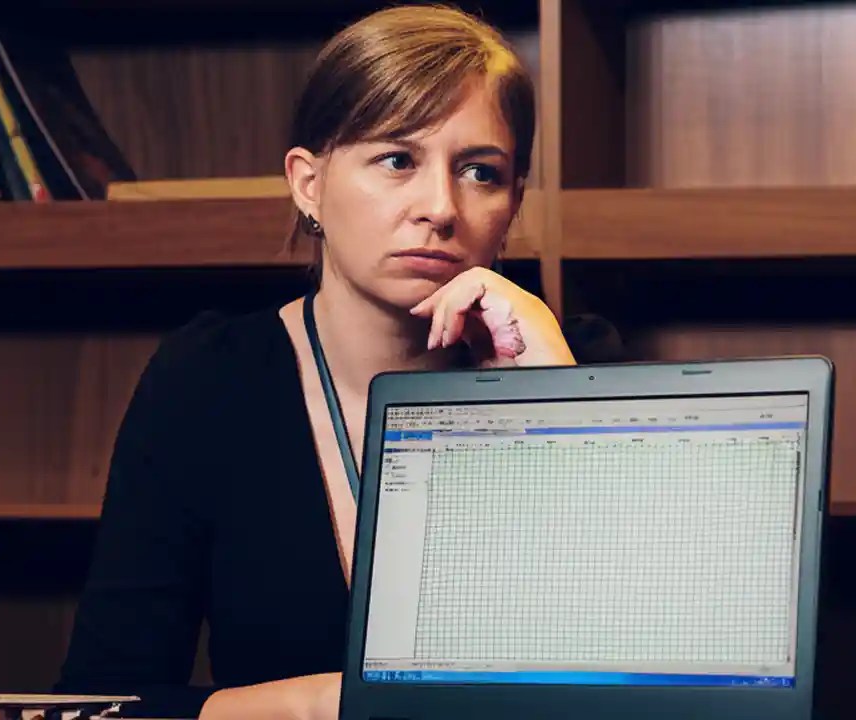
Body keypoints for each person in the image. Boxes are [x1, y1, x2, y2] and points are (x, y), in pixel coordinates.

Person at [54, 5, 619, 719]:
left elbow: (654, 674)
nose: (441, 208)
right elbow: (98, 704)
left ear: (512, 204)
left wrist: (558, 408)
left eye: (481, 171)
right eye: (397, 160)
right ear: (308, 183)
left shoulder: (571, 363)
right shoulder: (208, 382)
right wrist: (325, 704)